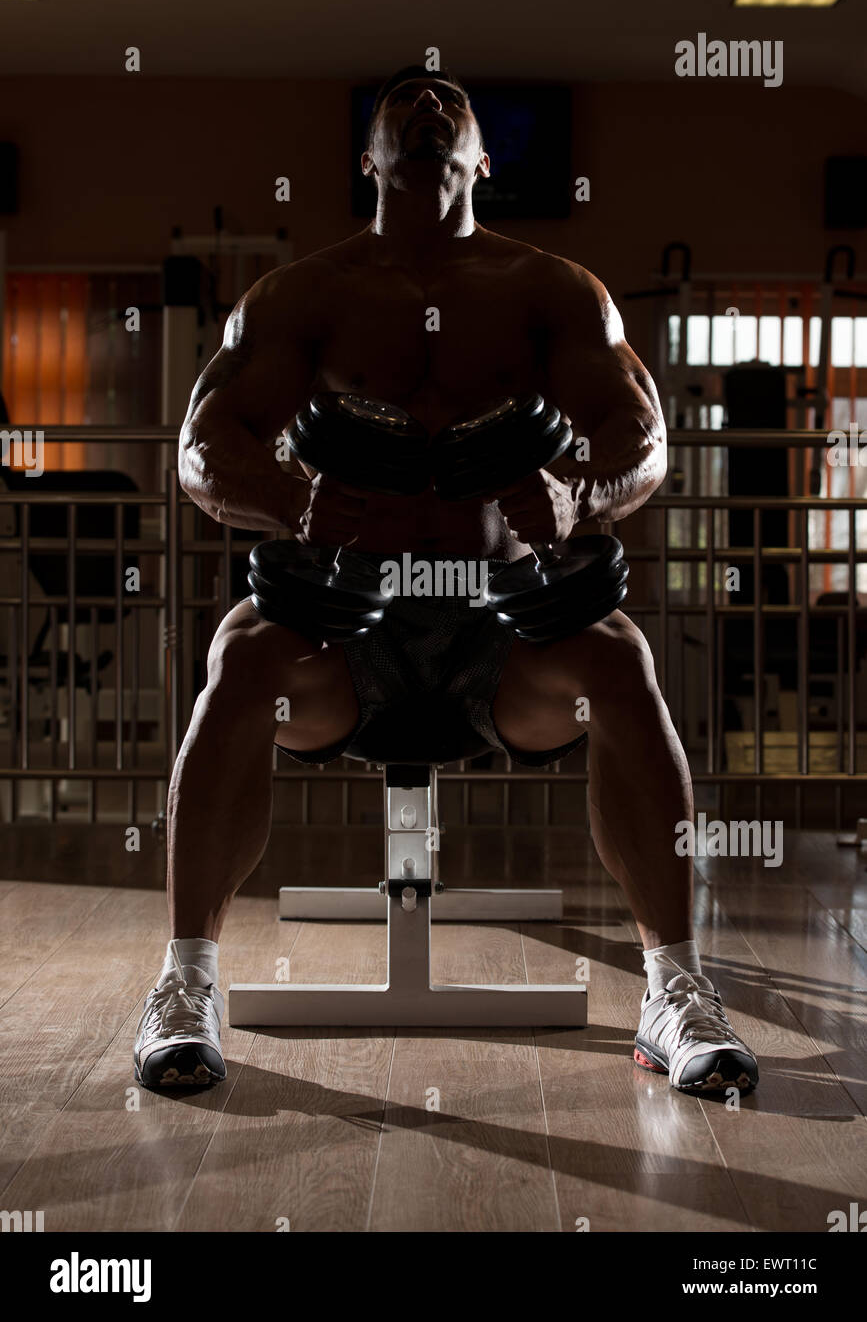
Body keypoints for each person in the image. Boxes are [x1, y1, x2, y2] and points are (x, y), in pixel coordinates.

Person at [134, 65, 758, 1097]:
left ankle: (674, 986)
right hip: (341, 640)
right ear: (365, 159)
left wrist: (576, 496)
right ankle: (185, 985)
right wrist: (292, 501)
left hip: (503, 639)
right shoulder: (305, 297)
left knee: (619, 657)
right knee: (242, 654)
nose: (427, 116)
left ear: (484, 159)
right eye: (402, 110)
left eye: (449, 110)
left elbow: (642, 439)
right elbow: (202, 451)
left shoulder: (550, 291)